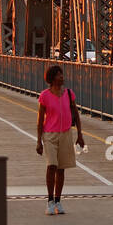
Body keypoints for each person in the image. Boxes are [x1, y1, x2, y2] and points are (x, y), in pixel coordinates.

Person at [36, 63, 84, 215]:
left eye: (62, 74)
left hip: (65, 133)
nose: (62, 77)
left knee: (61, 168)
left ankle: (58, 200)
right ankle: (50, 201)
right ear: (52, 78)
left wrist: (80, 135)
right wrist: (39, 141)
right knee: (52, 165)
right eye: (58, 75)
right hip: (49, 134)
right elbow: (40, 119)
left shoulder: (69, 93)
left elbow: (76, 114)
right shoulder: (44, 96)